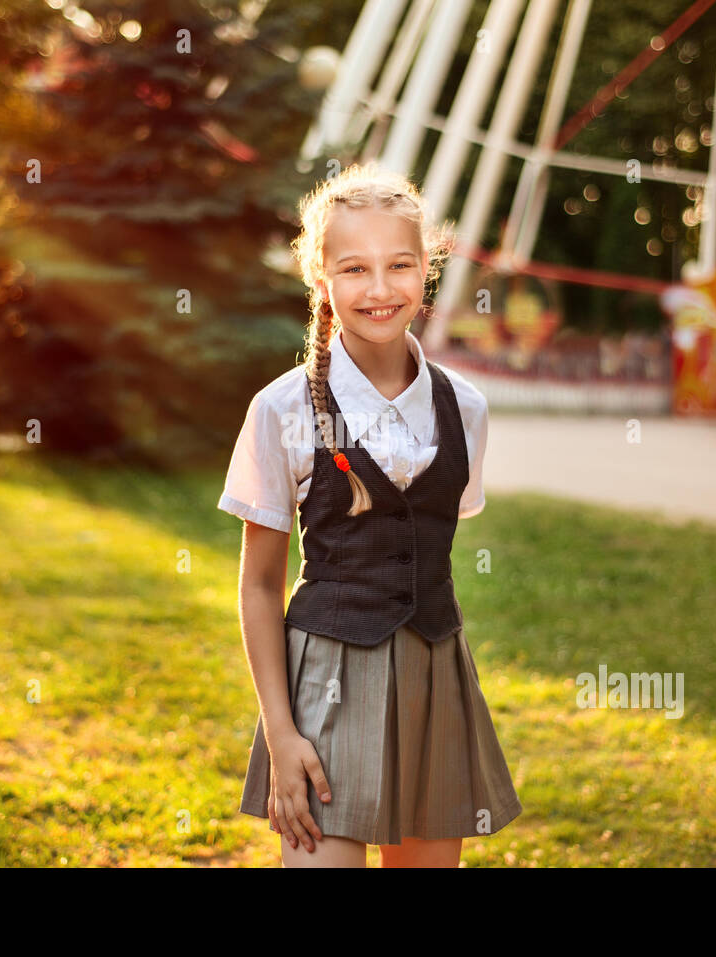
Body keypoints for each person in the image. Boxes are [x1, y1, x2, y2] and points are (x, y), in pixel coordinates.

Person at [217, 163, 522, 868]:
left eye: (400, 266)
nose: (380, 290)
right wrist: (282, 732)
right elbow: (261, 584)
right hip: (323, 681)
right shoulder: (283, 408)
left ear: (428, 271)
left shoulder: (466, 408)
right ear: (320, 279)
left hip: (433, 670)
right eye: (354, 269)